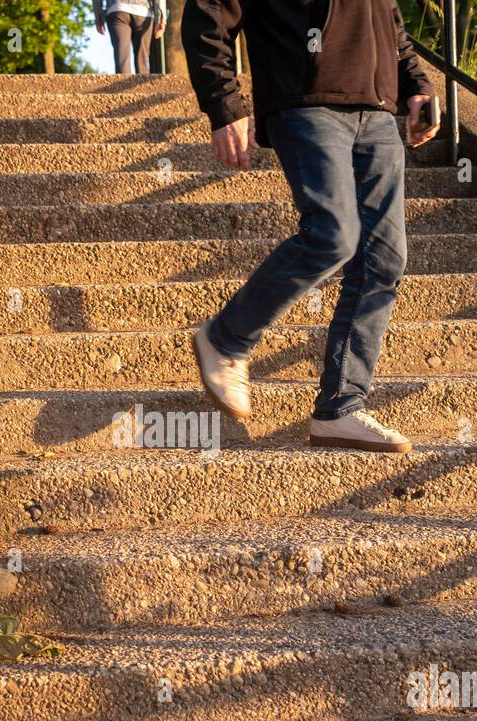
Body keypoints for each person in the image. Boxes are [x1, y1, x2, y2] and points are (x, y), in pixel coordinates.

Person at [182, 0, 440, 453]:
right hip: (305, 102)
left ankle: (340, 408)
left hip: (377, 112)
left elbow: (391, 26)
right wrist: (224, 104)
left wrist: (416, 84)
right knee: (333, 234)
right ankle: (226, 338)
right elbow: (207, 16)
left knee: (383, 260)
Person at [96, 0, 167, 75]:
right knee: (142, 62)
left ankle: (122, 84)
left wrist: (98, 14)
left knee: (122, 60)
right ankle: (142, 85)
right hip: (143, 11)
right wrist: (161, 18)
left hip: (117, 9)